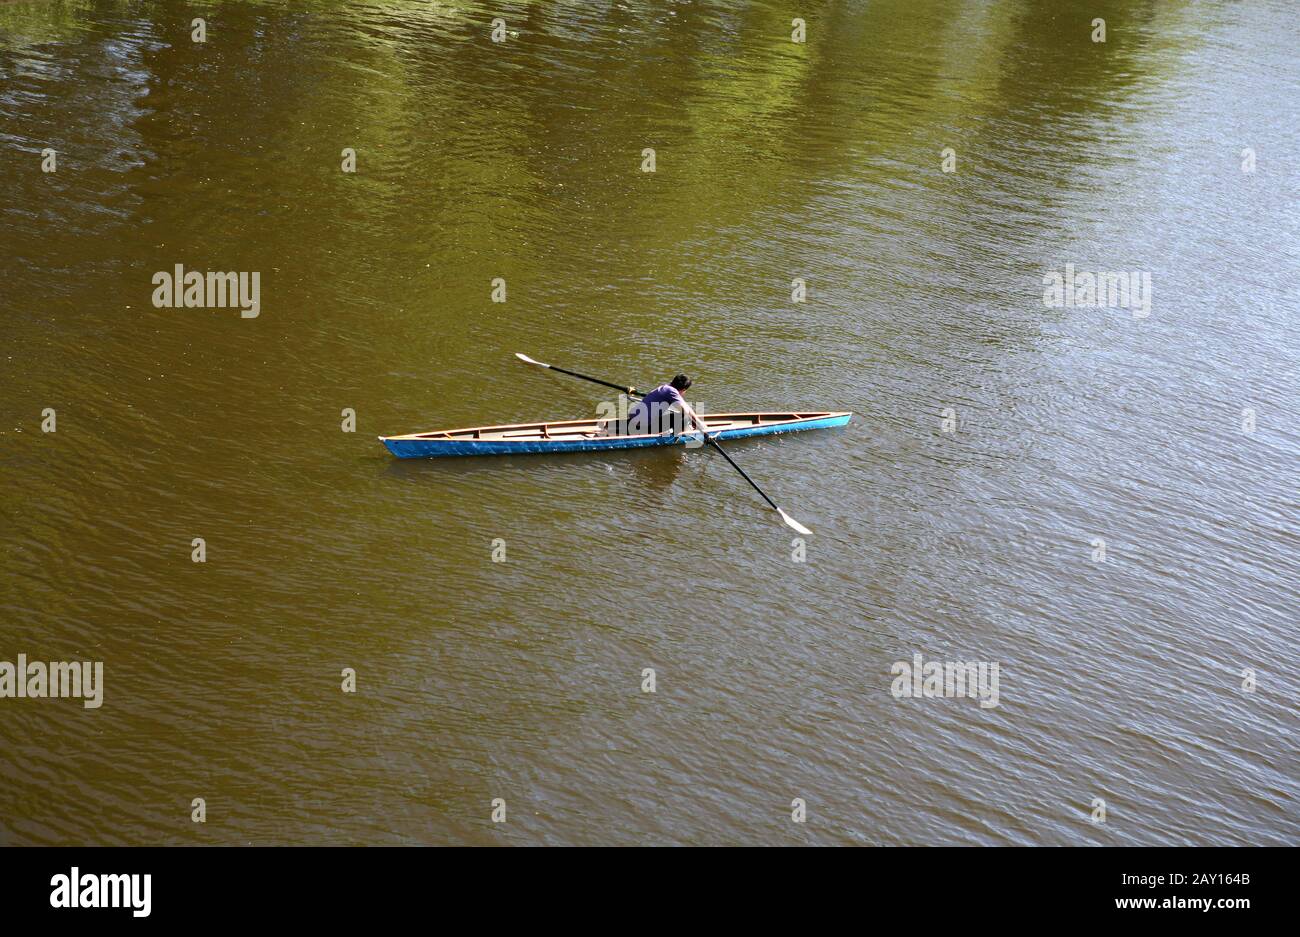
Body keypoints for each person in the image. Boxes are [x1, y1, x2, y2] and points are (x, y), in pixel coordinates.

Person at [625, 374, 710, 437]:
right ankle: (682, 435)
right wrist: (700, 425)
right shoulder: (672, 392)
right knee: (683, 416)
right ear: (684, 390)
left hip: (632, 419)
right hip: (641, 426)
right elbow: (686, 410)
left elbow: (686, 406)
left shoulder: (665, 387)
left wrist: (697, 422)